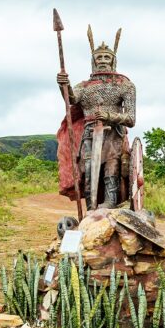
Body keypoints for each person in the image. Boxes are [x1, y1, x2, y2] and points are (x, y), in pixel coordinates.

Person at [56, 26, 136, 209]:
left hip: (113, 133)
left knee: (111, 167)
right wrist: (64, 85)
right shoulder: (84, 86)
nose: (102, 60)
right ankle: (91, 207)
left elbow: (130, 118)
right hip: (89, 133)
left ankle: (109, 202)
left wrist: (108, 115)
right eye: (99, 57)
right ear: (93, 61)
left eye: (106, 57)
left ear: (113, 60)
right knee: (89, 169)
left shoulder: (125, 85)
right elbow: (72, 99)